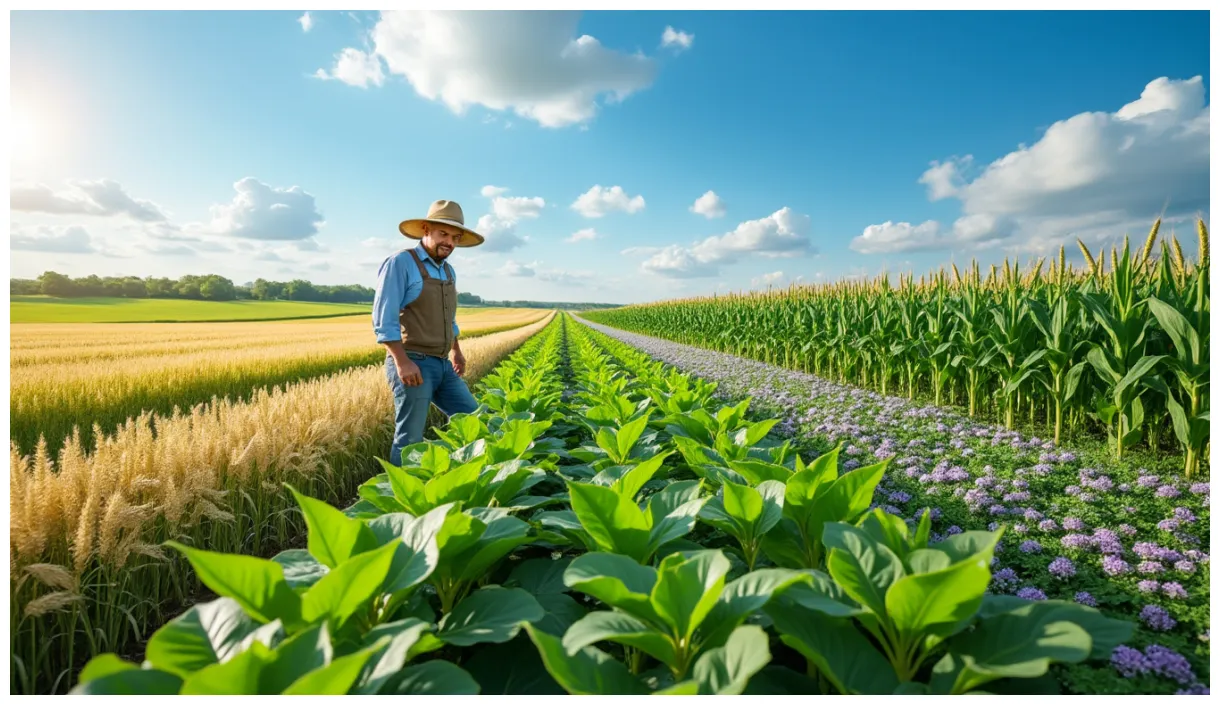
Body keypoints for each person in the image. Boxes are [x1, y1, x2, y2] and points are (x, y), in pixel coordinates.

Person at [372, 199, 485, 465]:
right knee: (409, 440)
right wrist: (402, 362)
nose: (450, 242)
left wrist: (456, 351)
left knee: (473, 420)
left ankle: (459, 476)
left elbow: (449, 316)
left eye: (455, 237)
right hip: (414, 363)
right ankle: (400, 498)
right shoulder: (401, 262)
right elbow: (383, 318)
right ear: (425, 229)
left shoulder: (448, 270)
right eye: (443, 234)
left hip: (443, 364)